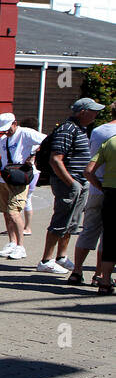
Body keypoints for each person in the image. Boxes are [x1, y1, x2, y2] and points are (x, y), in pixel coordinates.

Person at [36, 99, 104, 275]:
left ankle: (61, 257)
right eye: (93, 111)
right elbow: (55, 159)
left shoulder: (80, 129)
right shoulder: (68, 129)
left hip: (79, 182)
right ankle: (46, 260)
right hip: (69, 182)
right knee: (61, 220)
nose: (96, 114)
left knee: (72, 222)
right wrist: (71, 183)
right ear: (82, 111)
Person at [71, 116, 116, 286]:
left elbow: (88, 170)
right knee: (109, 237)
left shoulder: (98, 131)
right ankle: (101, 275)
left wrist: (99, 185)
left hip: (97, 188)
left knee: (89, 229)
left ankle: (76, 271)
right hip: (111, 190)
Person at [0, 112, 42, 260]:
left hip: (19, 178)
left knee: (14, 212)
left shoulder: (26, 133)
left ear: (15, 123)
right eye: (3, 130)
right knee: (6, 213)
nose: (6, 132)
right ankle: (12, 242)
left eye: (8, 128)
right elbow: (3, 157)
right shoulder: (3, 139)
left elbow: (46, 141)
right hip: (5, 177)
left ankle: (21, 246)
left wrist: (33, 155)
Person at [83, 131, 116, 295]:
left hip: (111, 195)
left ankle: (104, 282)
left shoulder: (110, 143)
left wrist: (101, 187)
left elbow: (88, 171)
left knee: (110, 239)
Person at [18, 116, 46, 236]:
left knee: (20, 199)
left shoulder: (26, 138)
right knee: (26, 199)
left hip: (26, 172)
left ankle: (24, 226)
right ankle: (24, 226)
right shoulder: (37, 142)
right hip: (34, 172)